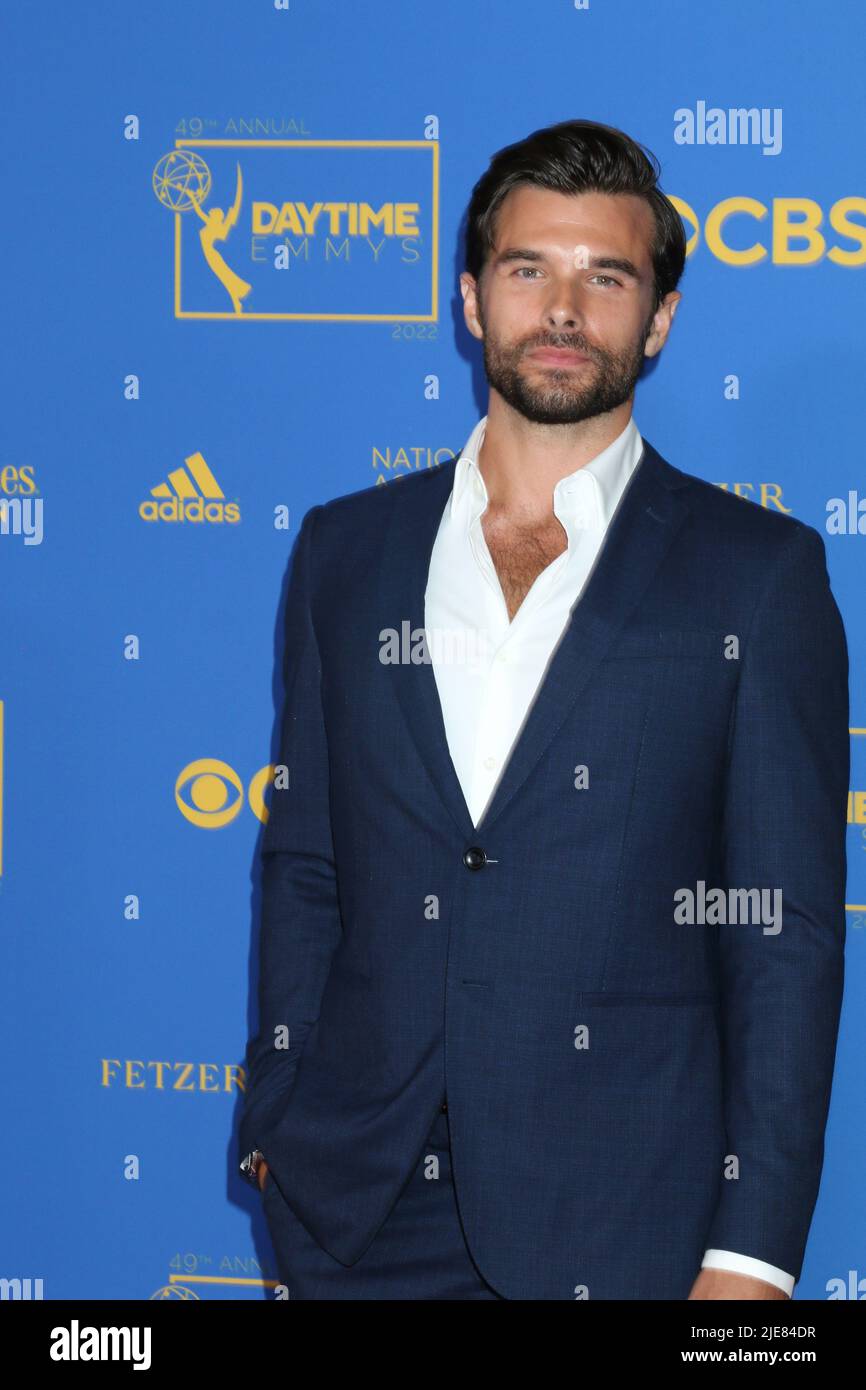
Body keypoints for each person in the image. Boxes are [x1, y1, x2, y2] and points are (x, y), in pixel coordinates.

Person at [239, 119, 849, 1300]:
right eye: (528, 269)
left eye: (604, 276)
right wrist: (278, 1123)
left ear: (657, 319)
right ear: (471, 300)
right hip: (350, 1215)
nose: (562, 307)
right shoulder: (344, 552)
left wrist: (752, 1257)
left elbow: (780, 939)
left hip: (628, 1233)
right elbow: (305, 863)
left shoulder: (755, 575)